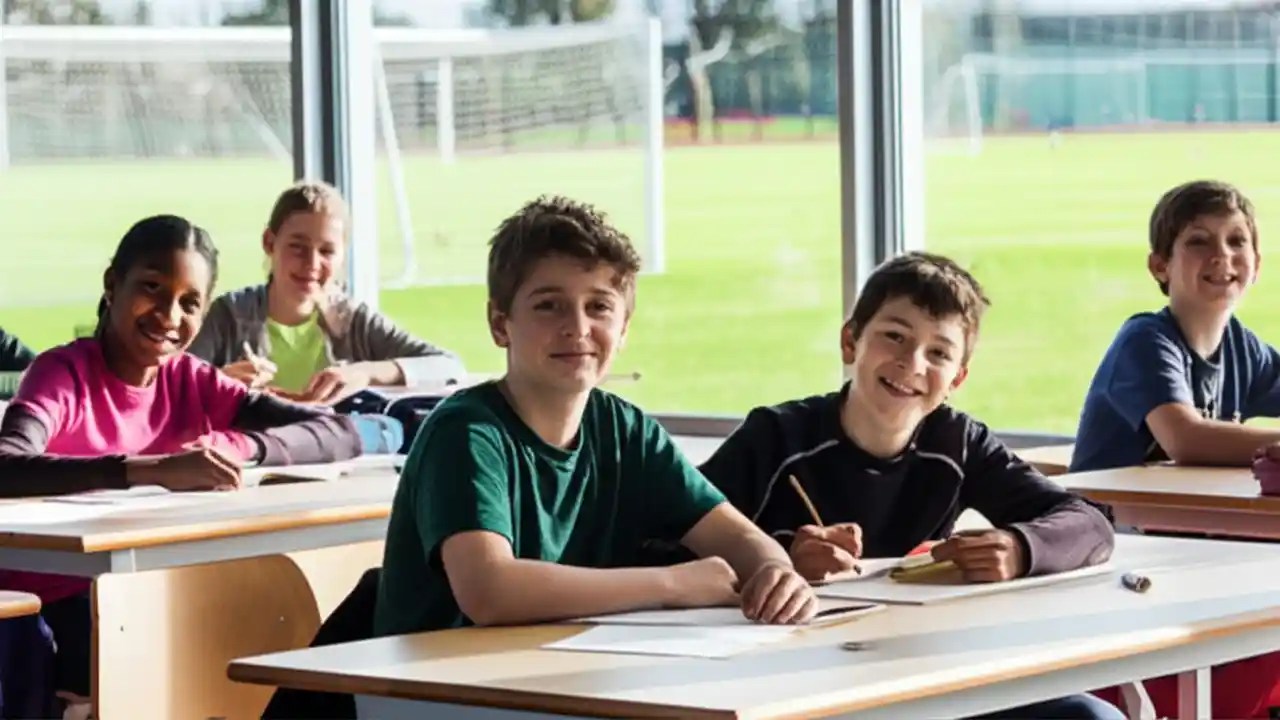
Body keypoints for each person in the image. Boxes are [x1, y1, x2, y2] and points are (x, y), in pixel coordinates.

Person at [700, 252, 1121, 720]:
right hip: (783, 685)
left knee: (1092, 717)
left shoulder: (959, 443)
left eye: (938, 353)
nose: (911, 363)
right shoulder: (775, 438)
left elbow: (1091, 524)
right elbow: (660, 543)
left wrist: (1021, 548)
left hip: (922, 675)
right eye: (894, 337)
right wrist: (776, 563)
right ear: (850, 341)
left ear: (958, 377)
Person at [0, 214, 366, 717]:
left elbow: (338, 431)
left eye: (190, 302)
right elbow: (7, 466)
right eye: (152, 288)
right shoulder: (63, 373)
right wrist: (148, 469)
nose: (169, 315)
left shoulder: (191, 380)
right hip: (60, 599)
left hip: (150, 590)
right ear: (113, 284)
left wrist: (236, 447)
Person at [1070, 180, 1280, 718]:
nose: (1222, 257)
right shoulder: (1145, 340)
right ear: (1159, 266)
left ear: (1256, 264)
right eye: (1199, 242)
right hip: (1117, 556)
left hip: (1188, 553)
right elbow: (1183, 437)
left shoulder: (1243, 348)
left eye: (1237, 242)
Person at [189, 180, 465, 405]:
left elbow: (448, 366)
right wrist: (219, 381)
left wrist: (364, 373)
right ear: (269, 243)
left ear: (343, 256)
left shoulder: (354, 321)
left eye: (327, 251)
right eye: (298, 247)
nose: (312, 264)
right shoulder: (230, 315)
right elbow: (169, 385)